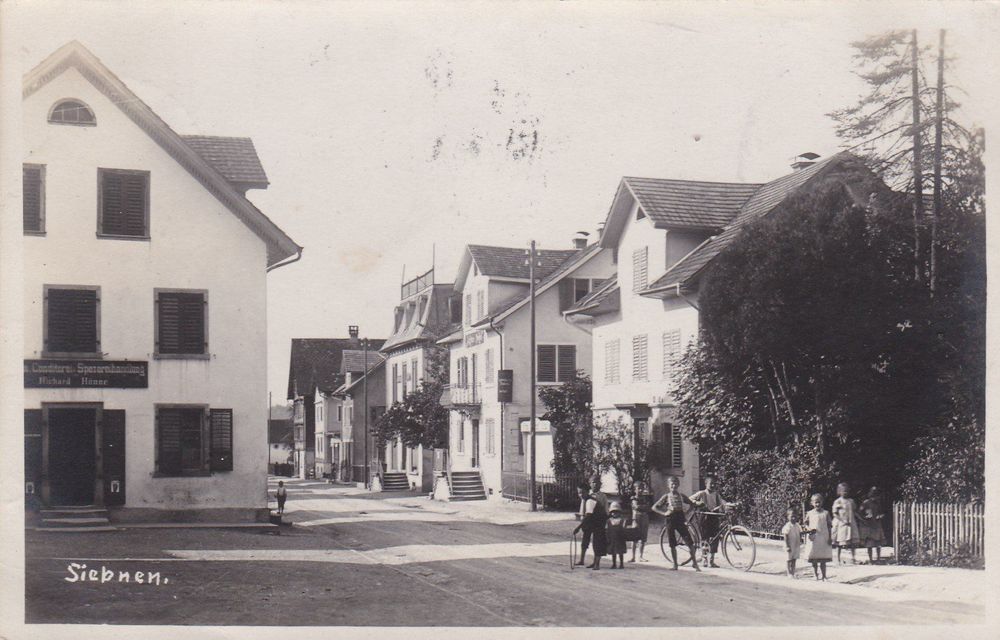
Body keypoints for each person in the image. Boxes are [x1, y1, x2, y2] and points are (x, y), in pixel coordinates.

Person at [651, 475, 702, 571]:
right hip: (670, 519)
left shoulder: (682, 496)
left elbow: (692, 504)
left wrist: (686, 513)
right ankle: (675, 564)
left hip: (680, 519)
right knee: (672, 543)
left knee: (689, 541)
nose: (673, 486)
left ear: (678, 485)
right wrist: (664, 513)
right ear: (668, 486)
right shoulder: (666, 497)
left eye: (675, 483)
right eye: (672, 484)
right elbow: (654, 507)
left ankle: (695, 563)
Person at [689, 474, 738, 568]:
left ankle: (711, 561)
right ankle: (704, 559)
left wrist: (729, 505)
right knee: (705, 539)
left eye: (714, 484)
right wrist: (697, 503)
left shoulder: (716, 494)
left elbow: (722, 502)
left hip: (714, 517)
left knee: (715, 538)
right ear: (706, 484)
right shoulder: (701, 493)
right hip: (704, 517)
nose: (713, 485)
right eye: (711, 483)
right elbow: (690, 499)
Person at [574, 483, 608, 570]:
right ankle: (582, 560)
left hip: (599, 522)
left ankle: (597, 564)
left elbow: (588, 515)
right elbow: (587, 516)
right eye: (579, 493)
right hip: (592, 522)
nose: (580, 495)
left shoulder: (590, 501)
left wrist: (578, 527)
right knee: (585, 539)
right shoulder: (585, 500)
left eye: (582, 492)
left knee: (597, 542)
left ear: (587, 492)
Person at [803, 493, 832, 581]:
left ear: (822, 502)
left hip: (823, 538)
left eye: (819, 502)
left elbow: (829, 526)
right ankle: (816, 575)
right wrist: (809, 529)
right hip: (814, 538)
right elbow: (805, 523)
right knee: (814, 558)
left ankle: (824, 576)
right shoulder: (810, 513)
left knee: (823, 559)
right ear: (812, 503)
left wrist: (830, 537)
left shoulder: (826, 513)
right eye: (816, 502)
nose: (817, 504)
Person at [831, 482, 859, 564]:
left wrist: (861, 519)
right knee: (840, 542)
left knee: (853, 542)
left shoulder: (851, 501)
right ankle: (838, 559)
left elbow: (854, 511)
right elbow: (834, 513)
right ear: (839, 492)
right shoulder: (838, 501)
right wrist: (842, 520)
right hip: (841, 524)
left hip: (851, 523)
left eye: (846, 491)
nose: (845, 492)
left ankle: (853, 558)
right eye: (843, 491)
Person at [857, 486, 886, 563]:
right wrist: (864, 519)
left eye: (876, 496)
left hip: (877, 525)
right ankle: (870, 559)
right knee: (869, 544)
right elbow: (858, 513)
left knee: (878, 543)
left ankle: (878, 559)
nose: (875, 498)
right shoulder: (866, 503)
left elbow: (882, 513)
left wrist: (880, 516)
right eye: (873, 496)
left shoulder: (878, 503)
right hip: (869, 525)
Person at [627, 483, 652, 563]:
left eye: (642, 488)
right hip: (636, 518)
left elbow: (649, 508)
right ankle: (633, 556)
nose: (640, 490)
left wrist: (644, 507)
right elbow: (636, 507)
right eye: (638, 488)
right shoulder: (633, 499)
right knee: (634, 537)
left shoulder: (645, 498)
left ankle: (641, 556)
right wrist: (644, 507)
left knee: (643, 538)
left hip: (644, 518)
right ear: (635, 490)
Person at [781, 508, 803, 578]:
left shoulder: (797, 525)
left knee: (794, 559)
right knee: (788, 559)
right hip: (790, 545)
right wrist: (787, 546)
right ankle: (789, 572)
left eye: (795, 516)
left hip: (796, 545)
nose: (793, 518)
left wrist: (800, 541)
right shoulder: (787, 526)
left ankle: (793, 572)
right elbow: (785, 536)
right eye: (791, 516)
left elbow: (800, 533)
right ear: (788, 517)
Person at [606, 501, 627, 569]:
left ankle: (621, 564)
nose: (614, 513)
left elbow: (624, 529)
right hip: (612, 538)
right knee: (613, 552)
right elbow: (607, 530)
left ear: (619, 512)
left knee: (620, 552)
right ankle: (614, 564)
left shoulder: (622, 520)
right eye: (613, 512)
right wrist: (607, 537)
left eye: (616, 512)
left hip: (620, 538)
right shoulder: (609, 521)